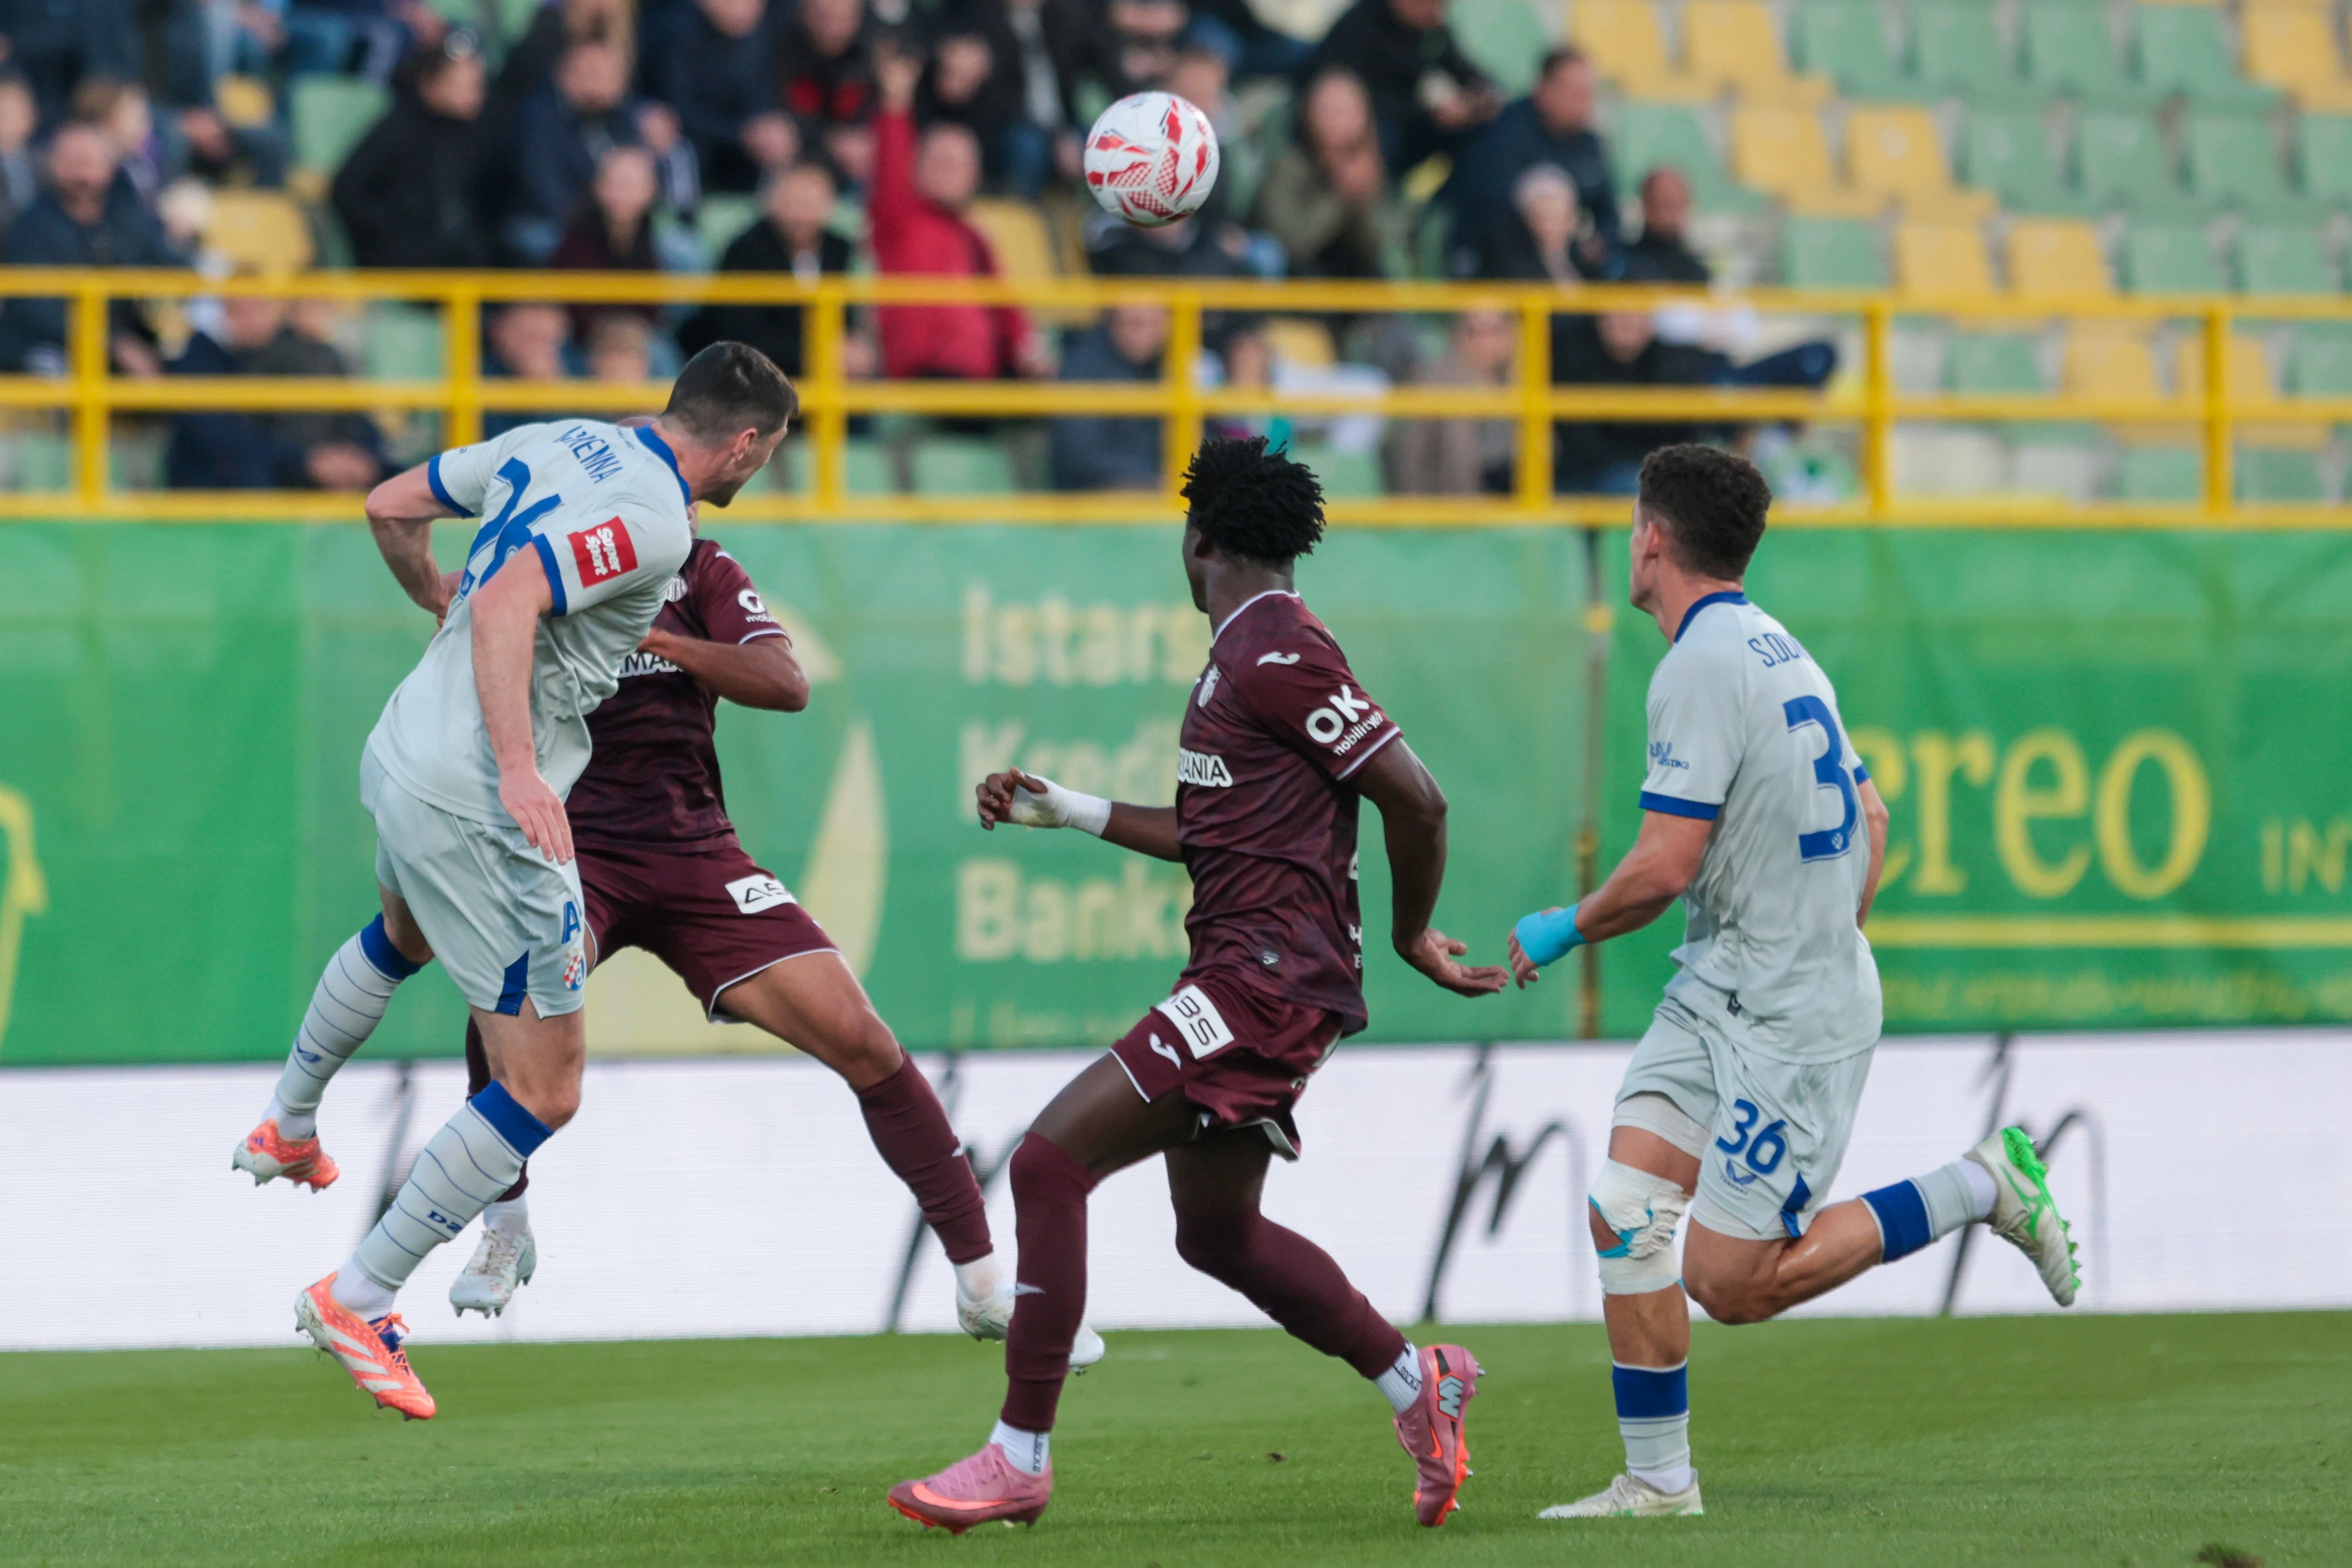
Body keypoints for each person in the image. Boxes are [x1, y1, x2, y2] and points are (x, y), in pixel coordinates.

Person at [887, 435, 1509, 1533]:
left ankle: (1018, 1453)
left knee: (1046, 1158)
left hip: (1266, 978)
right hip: (1255, 968)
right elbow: (1209, 831)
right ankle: (1423, 1384)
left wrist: (1412, 936)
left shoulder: (1275, 653)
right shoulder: (1247, 653)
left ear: (1199, 539)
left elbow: (1419, 799)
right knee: (1216, 1233)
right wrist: (1070, 807)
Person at [1506, 444, 2080, 1520]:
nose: (1630, 541)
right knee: (1627, 1208)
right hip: (1727, 978)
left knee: (1731, 1281)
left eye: (1634, 524)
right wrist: (1818, 930)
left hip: (1784, 1012)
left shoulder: (1698, 665)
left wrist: (1561, 928)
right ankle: (1660, 1480)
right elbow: (1875, 816)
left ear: (1655, 540)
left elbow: (1667, 864)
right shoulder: (1777, 646)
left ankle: (1982, 1183)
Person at [239, 344, 795, 1421]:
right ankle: (359, 1294)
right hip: (478, 797)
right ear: (743, 441)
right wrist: (518, 767)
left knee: (399, 932)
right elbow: (505, 604)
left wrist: (432, 600)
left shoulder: (556, 439)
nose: (759, 467)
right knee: (544, 1086)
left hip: (403, 746)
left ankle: (287, 1123)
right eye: (766, 453)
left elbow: (390, 504)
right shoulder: (659, 519)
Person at [866, 44, 1045, 382]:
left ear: (975, 176)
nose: (949, 172)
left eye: (958, 165)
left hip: (984, 376)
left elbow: (1005, 305)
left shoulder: (976, 236)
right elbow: (889, 163)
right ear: (916, 170)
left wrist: (1027, 348)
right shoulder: (901, 219)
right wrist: (895, 103)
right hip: (929, 374)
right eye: (939, 163)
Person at [0, 122, 179, 377]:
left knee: (190, 358)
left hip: (123, 348)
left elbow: (167, 263)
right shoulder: (29, 227)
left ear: (109, 166)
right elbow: (37, 311)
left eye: (88, 163)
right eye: (70, 162)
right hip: (50, 349)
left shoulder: (127, 218)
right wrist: (112, 342)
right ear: (53, 164)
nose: (80, 175)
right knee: (50, 369)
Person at [165, 289, 389, 491]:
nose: (252, 320)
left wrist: (356, 457)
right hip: (237, 481)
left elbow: (352, 417)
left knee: (392, 476)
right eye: (240, 310)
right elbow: (225, 441)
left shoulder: (309, 354)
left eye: (260, 308)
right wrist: (309, 462)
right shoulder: (204, 360)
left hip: (299, 467)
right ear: (224, 313)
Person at [678, 161, 861, 379]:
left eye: (812, 204)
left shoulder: (839, 249)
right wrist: (819, 355)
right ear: (772, 202)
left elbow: (848, 318)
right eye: (794, 203)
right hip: (754, 380)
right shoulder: (745, 250)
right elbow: (740, 335)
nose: (802, 215)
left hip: (827, 378)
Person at [1441, 48, 1616, 273]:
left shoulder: (1589, 144)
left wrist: (1599, 243)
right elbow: (1487, 213)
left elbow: (1608, 211)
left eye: (1589, 94)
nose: (1585, 105)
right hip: (1500, 266)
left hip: (1565, 264)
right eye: (1576, 94)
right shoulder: (1502, 134)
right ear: (1545, 89)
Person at [331, 38, 494, 270]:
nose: (477, 94)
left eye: (478, 85)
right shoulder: (397, 129)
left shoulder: (470, 135)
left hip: (449, 253)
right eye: (467, 85)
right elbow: (347, 191)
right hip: (397, 257)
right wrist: (396, 229)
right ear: (430, 82)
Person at [1305, 0, 1496, 176]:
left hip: (1409, 126)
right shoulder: (1363, 24)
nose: (1439, 11)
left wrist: (1478, 94)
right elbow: (1350, 97)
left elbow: (1461, 67)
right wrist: (1429, 109)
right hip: (1362, 129)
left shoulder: (1430, 31)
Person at [1249, 68, 1397, 280]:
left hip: (1353, 287)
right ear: (1308, 114)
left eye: (1346, 111)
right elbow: (1291, 245)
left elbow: (1380, 248)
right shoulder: (1286, 166)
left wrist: (1365, 195)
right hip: (1298, 283)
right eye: (1328, 111)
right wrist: (1339, 193)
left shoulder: (1370, 166)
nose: (1337, 122)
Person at [657, 0, 793, 195]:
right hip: (697, 140)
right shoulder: (678, 34)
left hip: (745, 140)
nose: (743, 9)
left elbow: (765, 98)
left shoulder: (764, 37)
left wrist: (767, 128)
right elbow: (679, 109)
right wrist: (740, 134)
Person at [1384, 306, 1514, 494]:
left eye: (1494, 331)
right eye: (1473, 332)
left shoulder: (1525, 378)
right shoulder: (1436, 382)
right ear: (1457, 334)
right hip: (1445, 504)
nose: (1483, 342)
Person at [547, 144, 666, 344]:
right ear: (599, 187)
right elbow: (575, 310)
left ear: (652, 190)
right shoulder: (575, 241)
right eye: (617, 183)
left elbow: (653, 311)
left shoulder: (660, 245)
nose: (623, 194)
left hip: (639, 339)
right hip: (585, 340)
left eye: (632, 184)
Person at [1047, 303, 1167, 491]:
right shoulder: (1082, 369)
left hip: (1156, 484)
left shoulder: (1173, 365)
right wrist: (1148, 477)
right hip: (1096, 490)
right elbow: (1078, 453)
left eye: (1157, 324)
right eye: (1136, 323)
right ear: (1112, 324)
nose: (1146, 333)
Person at [773, 0, 878, 186]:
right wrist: (829, 139)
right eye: (823, 18)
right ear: (804, 14)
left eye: (843, 19)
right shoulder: (779, 50)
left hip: (855, 166)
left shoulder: (872, 55)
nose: (833, 29)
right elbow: (771, 114)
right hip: (794, 158)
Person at [1626, 166, 1709, 285]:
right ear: (1646, 205)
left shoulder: (1697, 274)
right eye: (1665, 203)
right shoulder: (1623, 266)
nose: (1673, 214)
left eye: (1679, 203)